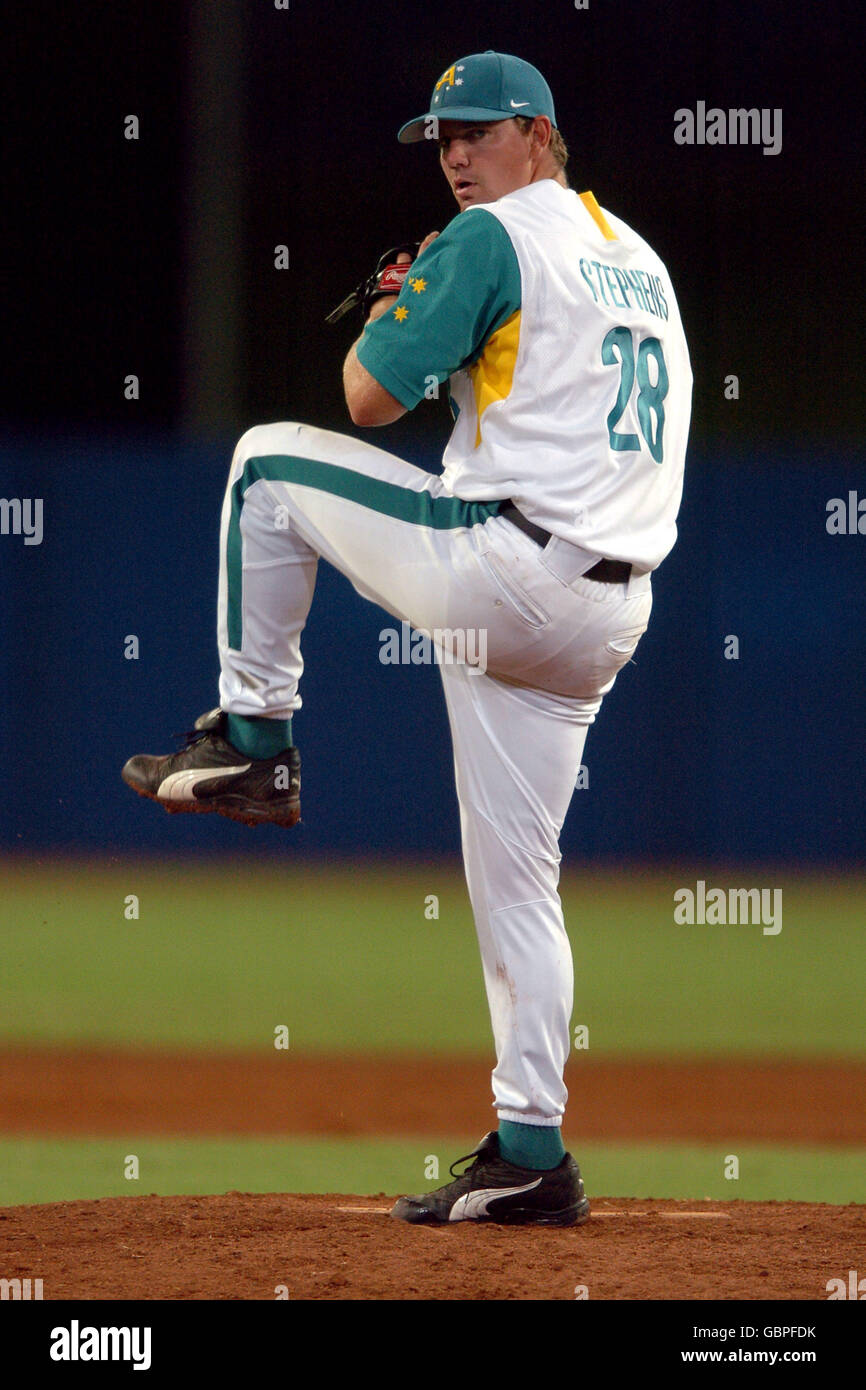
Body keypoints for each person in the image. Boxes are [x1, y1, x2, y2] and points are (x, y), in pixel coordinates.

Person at [122, 50, 692, 1226]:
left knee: (265, 466)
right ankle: (532, 1149)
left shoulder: (490, 238)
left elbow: (364, 399)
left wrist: (400, 306)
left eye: (475, 133)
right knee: (517, 887)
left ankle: (253, 733)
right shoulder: (634, 258)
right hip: (607, 609)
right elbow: (556, 399)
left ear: (537, 133)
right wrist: (450, 333)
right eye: (439, 139)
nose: (452, 156)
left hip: (513, 567)